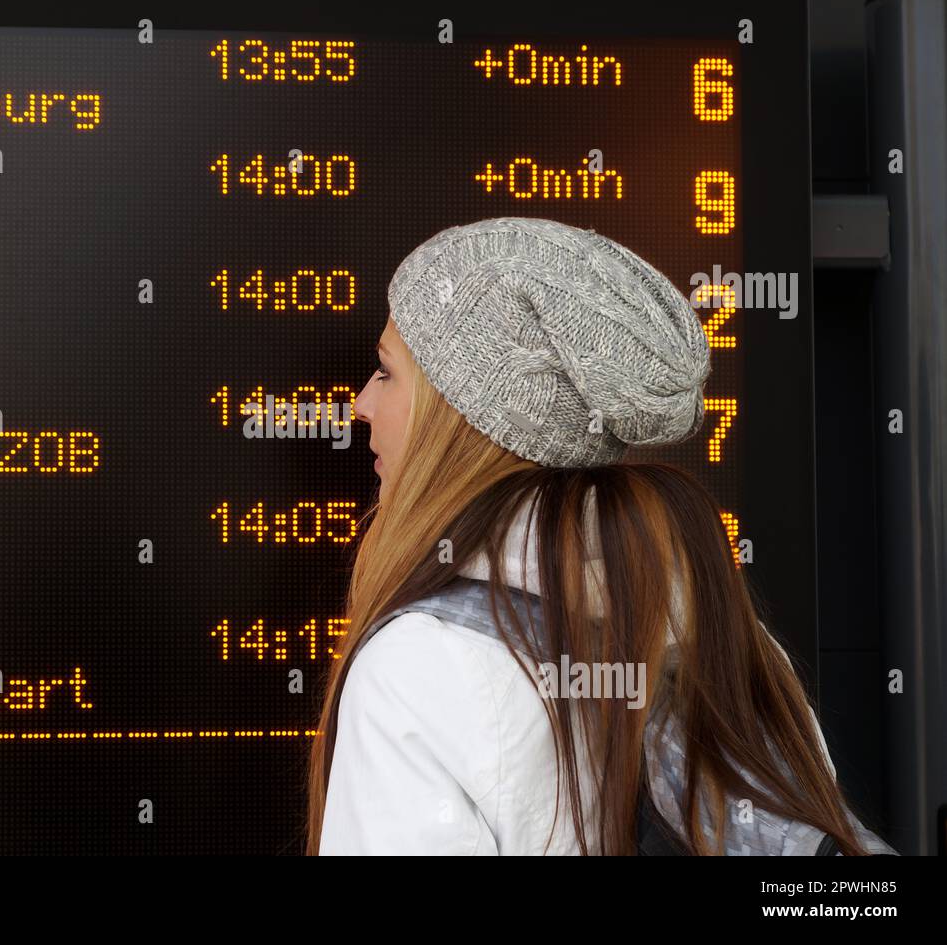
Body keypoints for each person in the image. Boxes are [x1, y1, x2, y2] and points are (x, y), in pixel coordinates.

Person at [306, 216, 887, 855]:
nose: (360, 401)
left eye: (386, 372)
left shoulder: (416, 666)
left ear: (460, 418)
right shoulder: (728, 639)